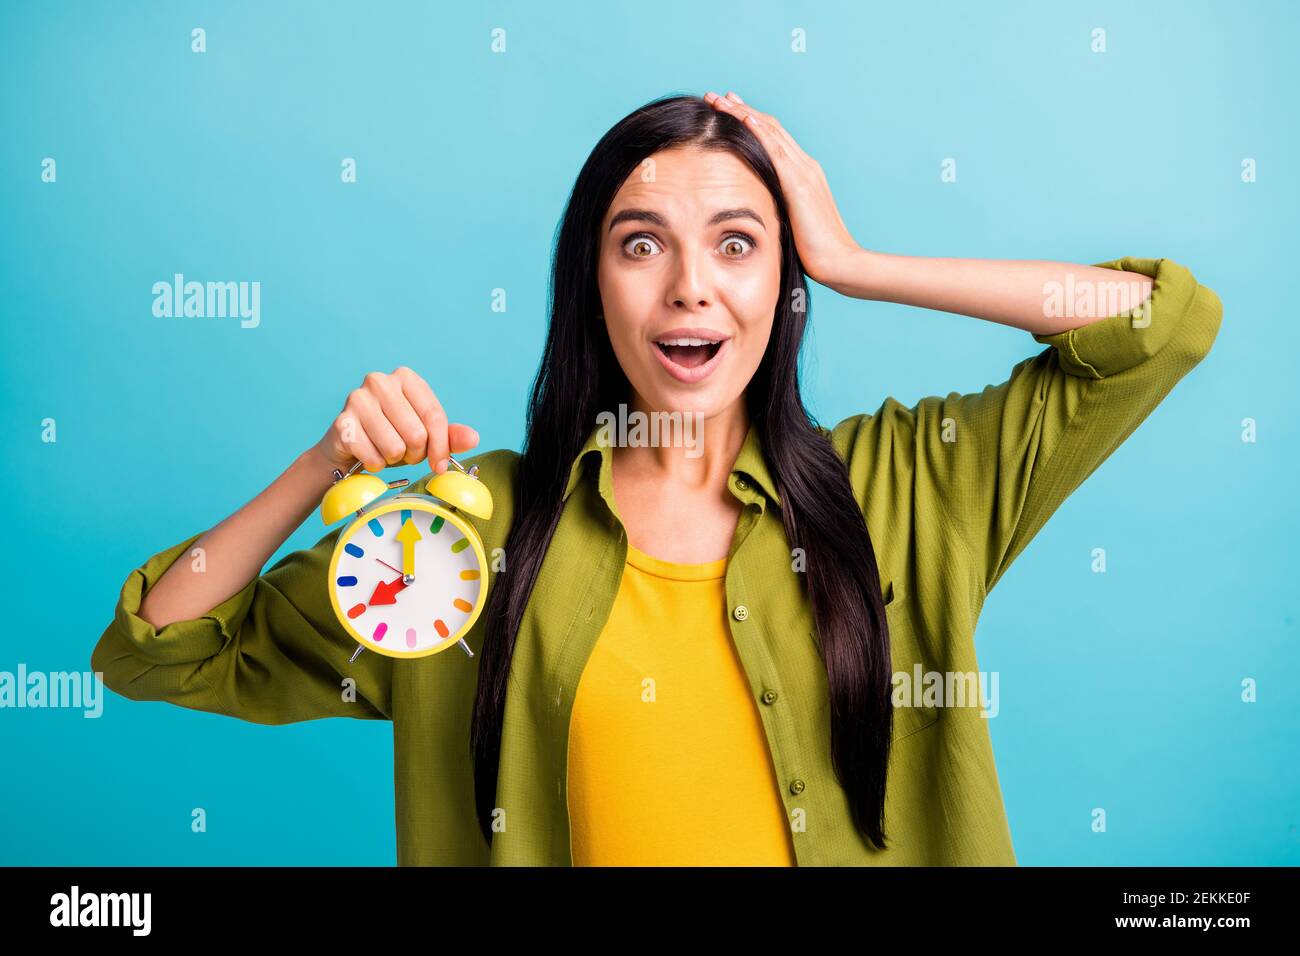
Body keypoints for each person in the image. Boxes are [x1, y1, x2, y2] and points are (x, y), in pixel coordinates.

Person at [91, 91, 1223, 866]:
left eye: (737, 243)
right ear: (591, 282)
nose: (690, 286)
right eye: (641, 243)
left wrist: (855, 261)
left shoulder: (906, 489)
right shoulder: (465, 533)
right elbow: (165, 647)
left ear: (783, 281)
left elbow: (1161, 327)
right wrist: (322, 465)